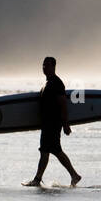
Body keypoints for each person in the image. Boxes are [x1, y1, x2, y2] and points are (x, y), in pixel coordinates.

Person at [25, 56, 81, 187]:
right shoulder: (47, 83)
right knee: (51, 150)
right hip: (47, 123)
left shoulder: (57, 83)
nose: (45, 67)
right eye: (43, 65)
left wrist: (65, 124)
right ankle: (74, 175)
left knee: (48, 150)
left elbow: (63, 104)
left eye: (47, 65)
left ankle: (38, 179)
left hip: (53, 123)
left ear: (54, 67)